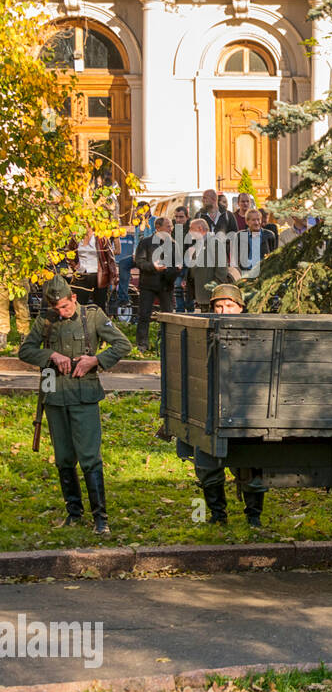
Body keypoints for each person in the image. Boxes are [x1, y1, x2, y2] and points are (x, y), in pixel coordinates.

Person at [18, 276, 131, 534]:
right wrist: (51, 355)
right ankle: (74, 513)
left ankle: (101, 519)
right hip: (55, 396)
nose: (61, 312)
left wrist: (95, 360)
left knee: (90, 457)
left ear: (74, 299)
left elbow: (123, 344)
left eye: (65, 307)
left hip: (84, 395)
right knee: (64, 458)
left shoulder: (92, 315)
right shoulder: (46, 319)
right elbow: (25, 351)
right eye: (56, 308)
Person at [175, 283, 268, 527]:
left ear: (240, 308)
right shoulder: (201, 333)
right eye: (219, 306)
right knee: (207, 467)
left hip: (245, 413)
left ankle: (254, 518)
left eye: (229, 306)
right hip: (210, 412)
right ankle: (218, 517)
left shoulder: (256, 333)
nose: (224, 311)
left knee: (251, 466)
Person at [133, 215, 178, 350]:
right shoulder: (145, 242)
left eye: (171, 226)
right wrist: (153, 267)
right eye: (168, 226)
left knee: (168, 316)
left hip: (166, 285)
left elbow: (177, 265)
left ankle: (167, 345)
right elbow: (139, 262)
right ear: (158, 227)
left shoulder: (174, 244)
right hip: (148, 284)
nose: (171, 229)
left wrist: (175, 270)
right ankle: (142, 344)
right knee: (144, 315)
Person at [185, 218, 239, 311]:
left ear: (200, 228)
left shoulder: (214, 242)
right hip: (202, 295)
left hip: (211, 295)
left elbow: (221, 269)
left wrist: (215, 288)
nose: (189, 232)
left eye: (191, 228)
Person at [66, 228, 117, 310]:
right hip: (81, 274)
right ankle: (79, 322)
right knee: (78, 305)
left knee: (99, 306)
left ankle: (100, 322)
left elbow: (110, 258)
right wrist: (74, 264)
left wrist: (113, 278)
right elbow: (68, 252)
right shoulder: (76, 238)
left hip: (98, 275)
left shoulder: (101, 237)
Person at [234, 207, 277, 280]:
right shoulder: (239, 236)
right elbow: (235, 259)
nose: (257, 223)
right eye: (253, 220)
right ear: (247, 222)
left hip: (263, 273)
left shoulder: (269, 235)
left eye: (258, 219)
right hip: (245, 274)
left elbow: (273, 256)